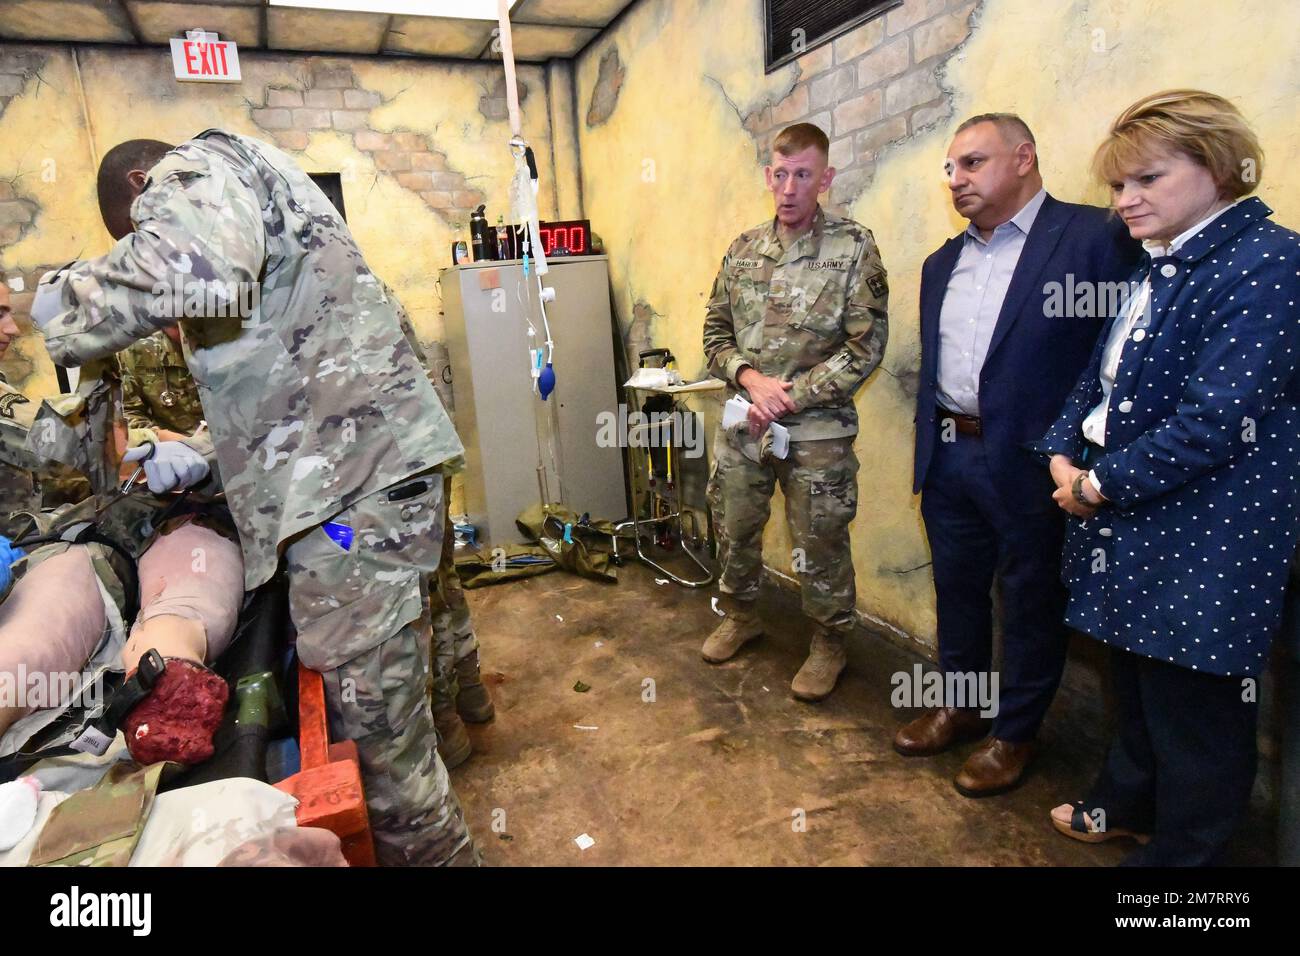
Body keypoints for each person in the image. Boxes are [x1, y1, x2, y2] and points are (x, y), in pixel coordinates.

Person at [29, 132, 477, 865]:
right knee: (392, 737)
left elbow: (196, 267)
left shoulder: (198, 165)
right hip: (353, 484)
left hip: (347, 501)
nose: (151, 236)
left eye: (142, 228)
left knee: (392, 769)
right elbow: (287, 378)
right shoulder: (259, 198)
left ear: (147, 184)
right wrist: (200, 455)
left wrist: (46, 306)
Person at [1037, 90, 1300, 865]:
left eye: (1146, 181)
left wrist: (1092, 485)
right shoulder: (1162, 263)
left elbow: (1215, 421)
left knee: (1197, 710)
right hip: (1132, 515)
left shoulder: (1270, 262)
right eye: (1118, 187)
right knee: (1138, 684)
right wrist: (1060, 450)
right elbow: (1100, 380)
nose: (1124, 203)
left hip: (1209, 528)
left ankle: (1184, 863)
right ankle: (1127, 802)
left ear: (1218, 169)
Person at [897, 114, 1143, 797]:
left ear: (1025, 158)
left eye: (972, 163)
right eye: (950, 168)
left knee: (1031, 598)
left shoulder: (1096, 237)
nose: (957, 180)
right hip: (950, 454)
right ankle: (963, 705)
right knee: (960, 592)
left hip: (1037, 463)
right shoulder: (941, 263)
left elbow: (1117, 358)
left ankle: (1015, 733)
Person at [701, 122, 888, 701]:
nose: (788, 188)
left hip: (817, 433)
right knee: (734, 525)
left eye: (802, 175)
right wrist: (752, 380)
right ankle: (741, 614)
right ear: (768, 176)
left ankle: (830, 641)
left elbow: (867, 346)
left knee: (821, 537)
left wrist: (790, 397)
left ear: (825, 178)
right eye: (779, 174)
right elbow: (713, 336)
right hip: (743, 427)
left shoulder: (853, 248)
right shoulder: (741, 249)